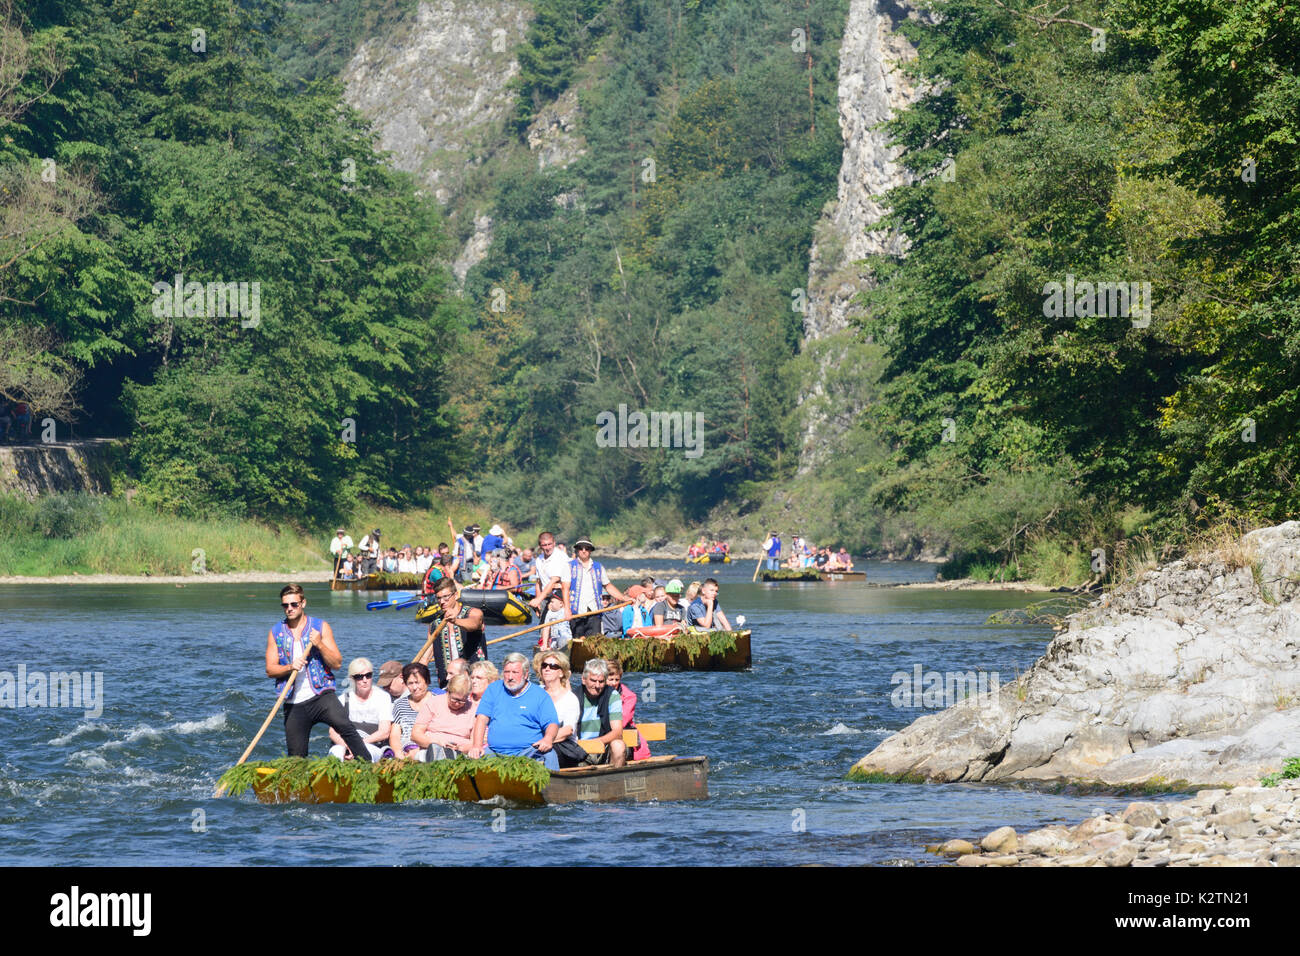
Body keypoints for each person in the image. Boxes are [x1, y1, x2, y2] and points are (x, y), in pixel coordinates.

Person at [264, 584, 371, 761]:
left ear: (303, 603)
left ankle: (368, 767)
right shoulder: (276, 632)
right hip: (294, 702)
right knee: (296, 757)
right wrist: (290, 666)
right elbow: (270, 669)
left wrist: (319, 644)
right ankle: (299, 786)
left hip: (321, 695)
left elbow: (337, 663)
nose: (289, 609)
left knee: (345, 725)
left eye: (294, 604)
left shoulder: (320, 627)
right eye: (285, 605)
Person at [466, 652, 559, 769]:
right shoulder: (493, 689)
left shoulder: (540, 694)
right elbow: (481, 719)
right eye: (506, 672)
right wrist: (477, 745)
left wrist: (548, 739)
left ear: (525, 675)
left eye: (515, 672)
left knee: (549, 755)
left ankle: (553, 787)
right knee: (472, 759)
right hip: (494, 752)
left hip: (528, 752)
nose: (510, 677)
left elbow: (552, 723)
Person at [421, 576, 486, 687]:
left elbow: (474, 624)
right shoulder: (435, 625)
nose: (442, 602)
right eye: (438, 598)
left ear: (455, 595)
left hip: (474, 683)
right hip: (448, 685)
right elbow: (425, 657)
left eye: (446, 597)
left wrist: (455, 621)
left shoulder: (473, 612)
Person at [329, 658, 391, 760]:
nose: (365, 680)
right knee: (337, 752)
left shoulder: (383, 698)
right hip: (346, 745)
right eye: (359, 677)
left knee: (365, 751)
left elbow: (384, 732)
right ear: (351, 679)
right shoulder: (343, 700)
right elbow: (333, 733)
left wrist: (358, 746)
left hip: (373, 746)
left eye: (368, 675)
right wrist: (348, 747)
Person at [567, 537, 625, 641]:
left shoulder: (598, 567)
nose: (584, 550)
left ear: (590, 550)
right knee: (578, 641)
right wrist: (567, 610)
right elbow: (565, 589)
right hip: (576, 612)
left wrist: (624, 598)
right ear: (577, 550)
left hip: (594, 612)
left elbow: (608, 586)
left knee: (595, 642)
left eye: (587, 548)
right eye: (581, 548)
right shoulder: (569, 566)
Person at [411, 673, 477, 759]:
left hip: (460, 750)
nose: (457, 704)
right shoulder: (433, 703)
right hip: (431, 746)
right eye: (454, 699)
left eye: (462, 701)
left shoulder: (473, 710)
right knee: (426, 754)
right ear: (448, 692)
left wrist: (460, 748)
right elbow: (415, 734)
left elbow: (475, 742)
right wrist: (436, 742)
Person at [574, 659, 625, 767]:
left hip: (604, 747)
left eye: (601, 681)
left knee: (618, 745)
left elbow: (617, 732)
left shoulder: (613, 696)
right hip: (580, 749)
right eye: (593, 680)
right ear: (583, 679)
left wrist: (596, 743)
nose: (597, 686)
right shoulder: (573, 697)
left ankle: (615, 780)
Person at [534, 650, 580, 765]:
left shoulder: (570, 698)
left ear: (561, 673)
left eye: (553, 666)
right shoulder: (535, 692)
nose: (547, 669)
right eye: (544, 665)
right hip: (537, 740)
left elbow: (568, 730)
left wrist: (545, 740)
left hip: (562, 745)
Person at [605, 660, 649, 760]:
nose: (614, 683)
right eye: (611, 679)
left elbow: (622, 721)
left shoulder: (629, 697)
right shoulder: (597, 692)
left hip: (625, 735)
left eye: (617, 680)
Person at [388, 662, 433, 760]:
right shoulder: (399, 705)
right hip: (405, 750)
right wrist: (398, 753)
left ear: (427, 681)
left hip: (429, 748)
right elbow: (395, 735)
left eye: (417, 682)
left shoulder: (437, 701)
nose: (415, 687)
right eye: (410, 683)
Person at [529, 532, 572, 616]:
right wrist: (538, 603)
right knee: (543, 627)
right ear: (540, 545)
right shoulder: (539, 560)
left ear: (554, 543)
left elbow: (553, 581)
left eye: (550, 544)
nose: (548, 548)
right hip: (545, 597)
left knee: (553, 627)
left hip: (560, 598)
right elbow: (539, 582)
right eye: (544, 545)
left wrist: (538, 600)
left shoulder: (560, 557)